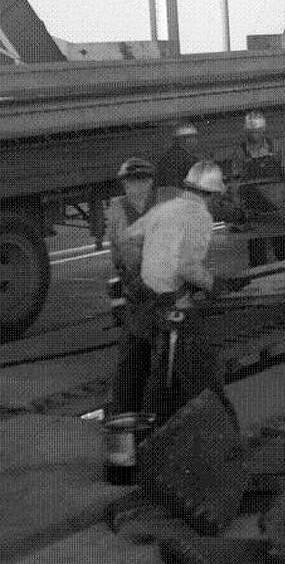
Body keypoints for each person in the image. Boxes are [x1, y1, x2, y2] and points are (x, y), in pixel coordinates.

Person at [123, 161, 248, 424]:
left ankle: (152, 419)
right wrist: (214, 285)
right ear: (211, 195)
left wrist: (150, 267)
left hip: (147, 301)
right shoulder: (200, 216)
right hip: (171, 306)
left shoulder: (165, 208)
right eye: (217, 198)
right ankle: (221, 425)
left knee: (157, 371)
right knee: (202, 368)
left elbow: (131, 237)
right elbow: (188, 267)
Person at [105, 158, 159, 421]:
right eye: (129, 182)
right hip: (136, 292)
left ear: (149, 183)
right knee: (132, 356)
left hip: (159, 292)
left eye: (139, 181)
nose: (134, 186)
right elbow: (117, 252)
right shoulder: (117, 209)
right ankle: (127, 412)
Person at [231, 110, 285, 264]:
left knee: (282, 241)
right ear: (246, 132)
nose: (255, 134)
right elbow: (236, 180)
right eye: (252, 131)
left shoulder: (274, 146)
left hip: (275, 201)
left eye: (258, 131)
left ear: (263, 130)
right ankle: (259, 272)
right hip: (254, 204)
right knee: (257, 245)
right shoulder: (241, 152)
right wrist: (238, 204)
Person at [155, 122, 202, 200]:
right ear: (181, 139)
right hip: (180, 198)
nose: (195, 140)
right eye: (191, 137)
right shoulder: (185, 158)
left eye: (194, 137)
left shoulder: (167, 156)